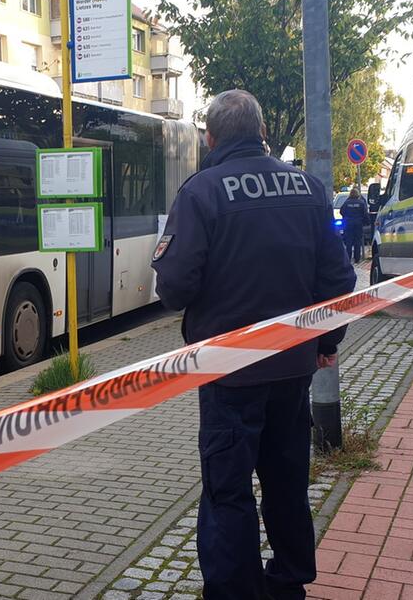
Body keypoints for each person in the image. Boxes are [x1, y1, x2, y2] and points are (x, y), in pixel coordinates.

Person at [151, 90, 356, 600]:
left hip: (228, 373)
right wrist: (327, 342)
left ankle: (236, 592)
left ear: (212, 137)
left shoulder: (202, 193)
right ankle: (289, 583)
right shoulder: (308, 190)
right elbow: (339, 278)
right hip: (292, 370)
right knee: (287, 481)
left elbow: (173, 289)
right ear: (263, 133)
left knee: (228, 490)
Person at [339, 185, 371, 263]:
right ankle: (357, 258)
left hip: (348, 224)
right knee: (357, 242)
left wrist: (346, 217)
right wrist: (367, 222)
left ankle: (348, 258)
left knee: (348, 242)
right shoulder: (361, 203)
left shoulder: (346, 203)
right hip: (358, 224)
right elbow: (365, 214)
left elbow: (341, 211)